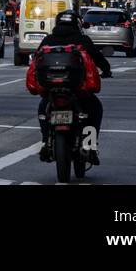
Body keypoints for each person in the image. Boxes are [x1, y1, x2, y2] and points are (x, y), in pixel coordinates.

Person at [30, 9, 112, 164]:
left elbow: (36, 59)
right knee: (95, 108)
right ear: (77, 24)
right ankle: (90, 146)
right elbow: (98, 58)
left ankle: (45, 140)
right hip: (77, 89)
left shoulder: (48, 40)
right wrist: (107, 70)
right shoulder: (83, 40)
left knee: (43, 108)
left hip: (51, 89)